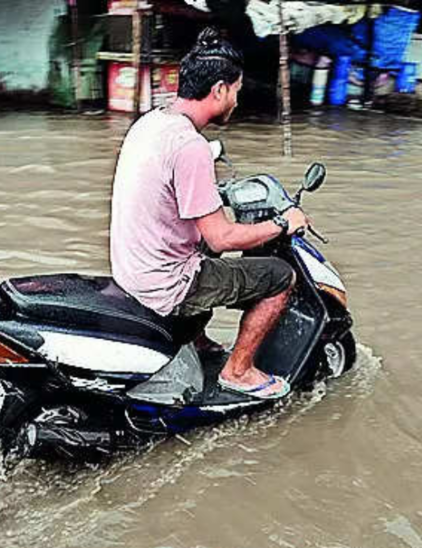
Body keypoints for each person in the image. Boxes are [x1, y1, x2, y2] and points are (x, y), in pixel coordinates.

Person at [109, 28, 311, 400]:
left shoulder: (152, 122)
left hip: (132, 270)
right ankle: (239, 371)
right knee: (280, 276)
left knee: (203, 245)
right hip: (165, 285)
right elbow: (223, 236)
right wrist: (283, 222)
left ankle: (197, 339)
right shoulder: (191, 147)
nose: (237, 99)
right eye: (236, 90)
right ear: (219, 90)